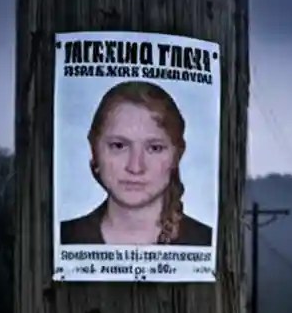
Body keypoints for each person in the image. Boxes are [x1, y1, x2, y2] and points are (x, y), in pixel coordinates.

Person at [60, 80, 212, 246]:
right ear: (94, 149)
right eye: (118, 146)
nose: (135, 167)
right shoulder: (63, 238)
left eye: (154, 148)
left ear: (177, 155)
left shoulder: (207, 242)